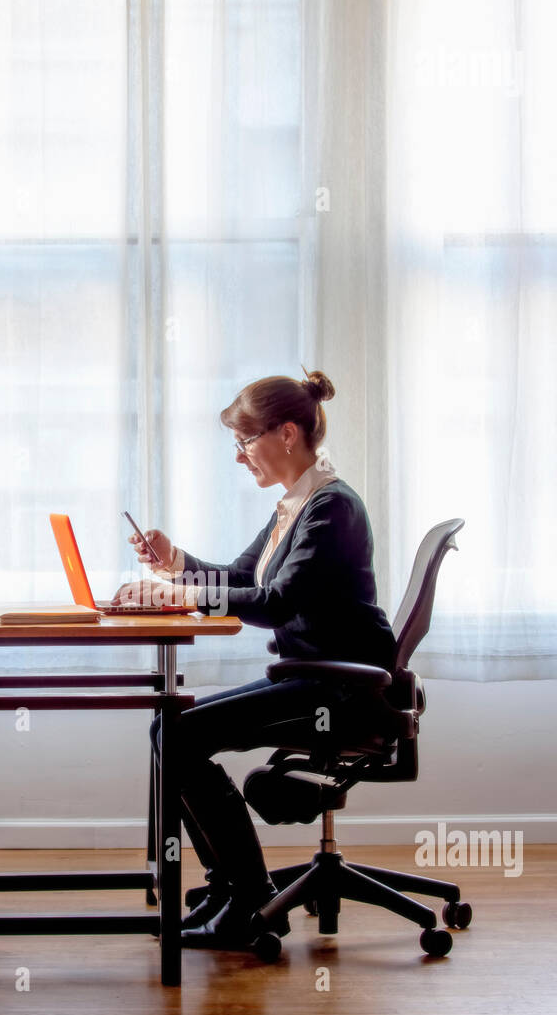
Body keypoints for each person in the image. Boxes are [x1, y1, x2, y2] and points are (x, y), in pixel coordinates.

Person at [112, 370, 397, 950]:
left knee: (178, 735)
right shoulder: (296, 505)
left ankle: (248, 896)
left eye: (245, 443)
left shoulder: (330, 508)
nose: (240, 458)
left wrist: (182, 595)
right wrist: (177, 563)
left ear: (287, 433)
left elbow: (274, 602)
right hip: (316, 677)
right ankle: (229, 890)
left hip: (340, 689)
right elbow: (244, 578)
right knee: (172, 730)